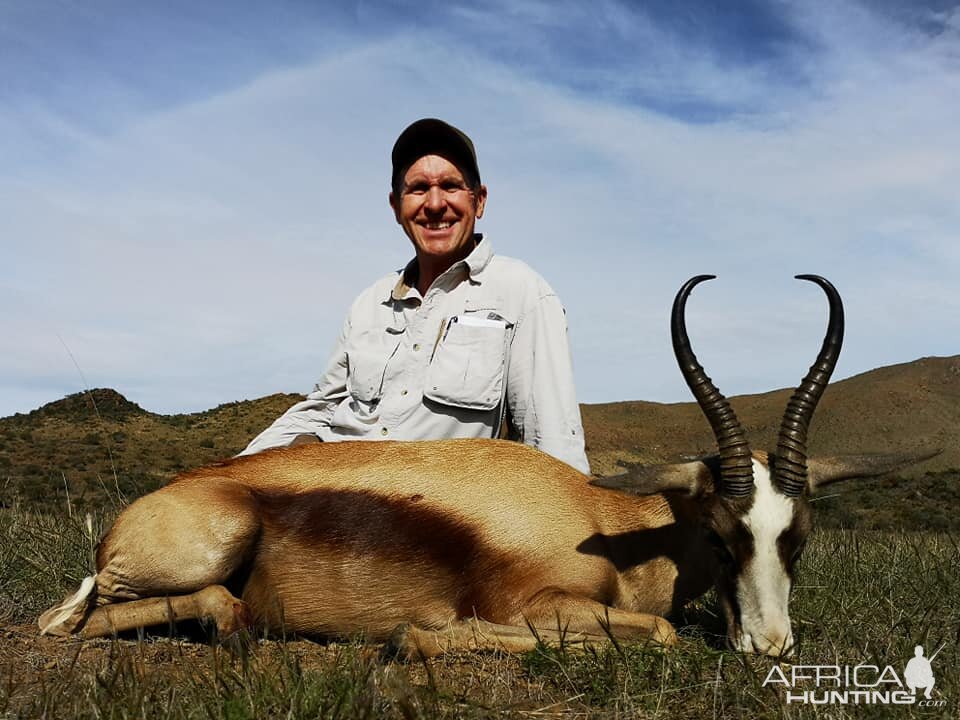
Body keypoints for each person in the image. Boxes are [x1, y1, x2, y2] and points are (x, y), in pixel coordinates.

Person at [240, 118, 590, 474]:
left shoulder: (522, 293)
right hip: (332, 498)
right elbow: (323, 408)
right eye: (418, 188)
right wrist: (232, 473)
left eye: (451, 186)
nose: (435, 204)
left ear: (479, 200)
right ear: (396, 207)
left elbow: (553, 446)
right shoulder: (369, 303)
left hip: (426, 518)